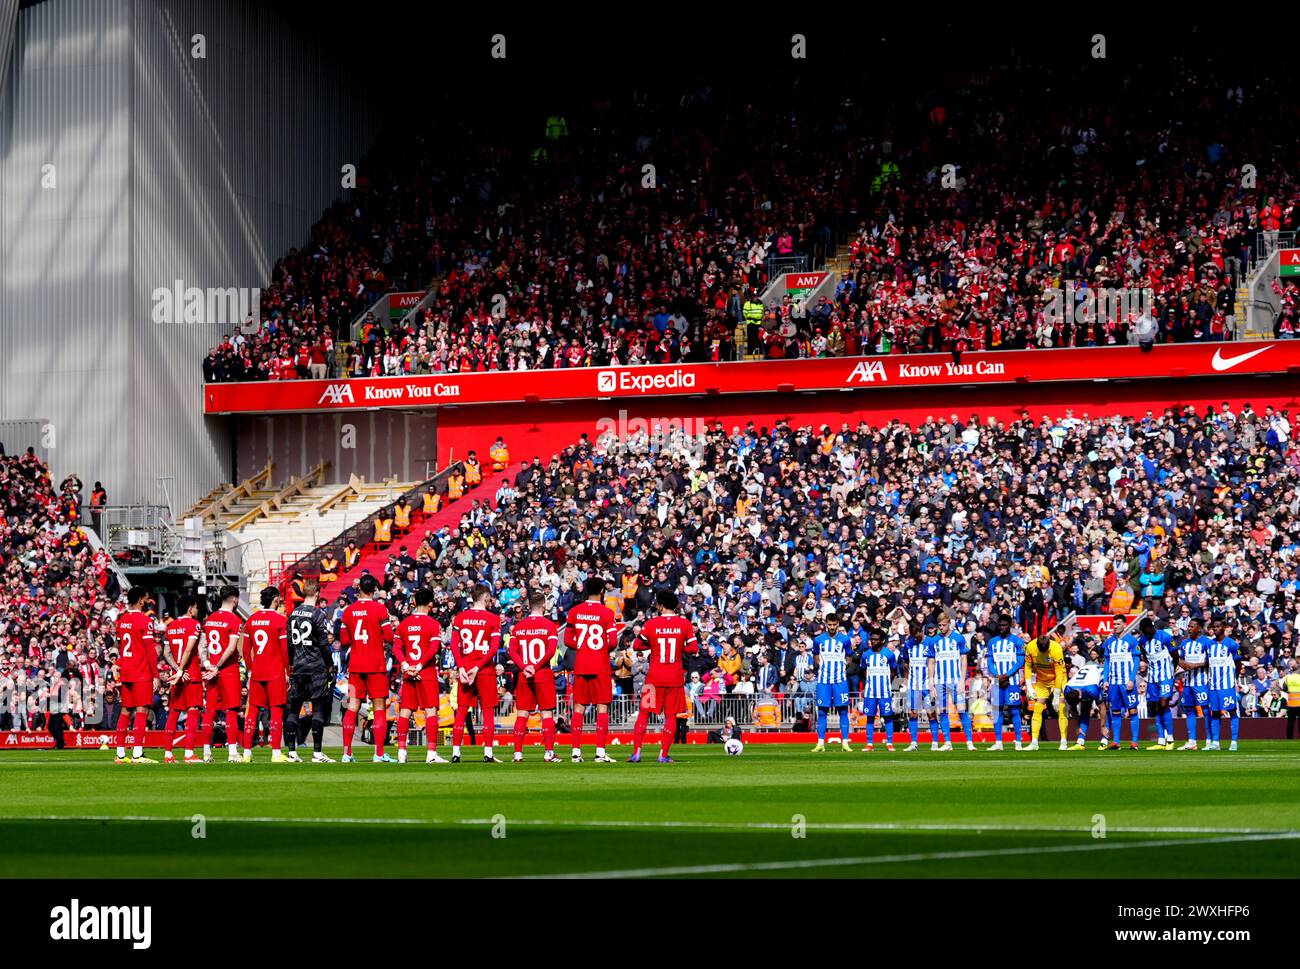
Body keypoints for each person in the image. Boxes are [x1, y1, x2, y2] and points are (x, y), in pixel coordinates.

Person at [628, 589, 699, 763]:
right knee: (670, 716)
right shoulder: (684, 624)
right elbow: (693, 649)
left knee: (644, 713)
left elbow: (637, 645)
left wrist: (652, 645)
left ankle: (637, 752)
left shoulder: (651, 624)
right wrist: (678, 647)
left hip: (653, 677)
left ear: (660, 605)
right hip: (674, 678)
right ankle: (663, 754)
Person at [339, 573, 395, 763]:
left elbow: (344, 640)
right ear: (374, 590)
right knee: (379, 709)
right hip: (376, 665)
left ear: (359, 589)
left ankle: (346, 753)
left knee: (352, 706)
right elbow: (389, 637)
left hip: (356, 666)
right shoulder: (380, 610)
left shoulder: (348, 611)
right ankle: (378, 754)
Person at [564, 576, 617, 763]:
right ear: (602, 591)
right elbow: (613, 642)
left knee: (579, 707)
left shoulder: (575, 612)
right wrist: (600, 648)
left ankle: (576, 753)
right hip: (600, 663)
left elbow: (567, 640)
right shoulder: (607, 613)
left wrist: (583, 646)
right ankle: (600, 753)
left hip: (582, 663)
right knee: (602, 708)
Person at [395, 588, 448, 764]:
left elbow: (396, 648)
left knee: (405, 710)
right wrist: (418, 666)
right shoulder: (433, 624)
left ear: (414, 602)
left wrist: (405, 665)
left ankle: (401, 752)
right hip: (425, 671)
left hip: (409, 671)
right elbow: (433, 649)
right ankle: (431, 754)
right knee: (431, 710)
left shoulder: (404, 623)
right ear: (431, 604)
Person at [506, 590, 561, 763]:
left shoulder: (519, 626)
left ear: (528, 606)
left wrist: (524, 667)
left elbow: (511, 651)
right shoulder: (549, 625)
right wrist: (536, 667)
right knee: (547, 714)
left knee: (522, 713)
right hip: (542, 673)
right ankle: (548, 753)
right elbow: (551, 650)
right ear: (544, 606)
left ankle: (517, 753)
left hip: (524, 674)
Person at [286, 579, 337, 763]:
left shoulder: (292, 614)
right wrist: (330, 664)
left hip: (298, 667)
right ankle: (317, 753)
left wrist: (291, 664)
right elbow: (324, 644)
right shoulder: (318, 614)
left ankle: (291, 752)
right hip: (316, 667)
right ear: (317, 594)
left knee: (294, 709)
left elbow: (290, 644)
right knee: (318, 709)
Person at [450, 582, 502, 763]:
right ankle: (488, 753)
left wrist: (462, 667)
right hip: (484, 669)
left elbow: (453, 645)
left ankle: (456, 753)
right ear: (486, 598)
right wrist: (477, 668)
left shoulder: (460, 618)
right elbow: (494, 647)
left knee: (462, 711)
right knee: (488, 711)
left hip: (465, 668)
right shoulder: (493, 619)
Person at [239, 587, 290, 763]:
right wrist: (288, 672)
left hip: (257, 672)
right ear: (275, 600)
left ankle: (246, 753)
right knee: (276, 711)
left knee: (252, 710)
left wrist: (251, 669)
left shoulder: (251, 620)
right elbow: (284, 651)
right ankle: (276, 753)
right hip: (275, 672)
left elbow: (246, 650)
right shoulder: (280, 620)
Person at [112, 586, 160, 764]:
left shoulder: (122, 620)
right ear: (140, 600)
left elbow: (120, 648)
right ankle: (138, 754)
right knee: (142, 710)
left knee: (125, 710)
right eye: (146, 599)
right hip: (141, 672)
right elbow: (150, 650)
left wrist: (119, 664)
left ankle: (120, 753)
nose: (147, 602)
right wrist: (156, 675)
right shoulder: (144, 620)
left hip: (127, 671)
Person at [200, 586, 245, 763]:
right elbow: (231, 648)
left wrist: (207, 664)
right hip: (226, 669)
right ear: (234, 599)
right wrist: (217, 667)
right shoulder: (234, 620)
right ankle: (233, 753)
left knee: (210, 711)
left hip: (211, 669)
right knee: (232, 710)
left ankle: (206, 753)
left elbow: (202, 646)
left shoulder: (209, 619)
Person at [160, 594, 202, 764]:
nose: (197, 610)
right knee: (193, 711)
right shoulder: (194, 625)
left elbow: (166, 653)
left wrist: (176, 670)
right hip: (190, 674)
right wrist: (182, 670)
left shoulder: (171, 626)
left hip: (177, 675)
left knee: (174, 713)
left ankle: (168, 754)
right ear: (190, 608)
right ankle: (189, 753)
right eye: (196, 607)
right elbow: (188, 650)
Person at [929, 613, 976, 751]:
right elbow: (931, 662)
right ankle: (948, 743)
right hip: (940, 681)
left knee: (961, 710)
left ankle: (969, 742)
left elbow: (964, 659)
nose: (941, 628)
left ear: (949, 623)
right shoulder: (934, 640)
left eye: (944, 625)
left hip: (956, 680)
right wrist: (931, 682)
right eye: (939, 626)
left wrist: (962, 680)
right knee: (942, 711)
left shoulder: (958, 638)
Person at [811, 613, 853, 753]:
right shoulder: (819, 640)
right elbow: (816, 655)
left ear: (838, 624)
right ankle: (820, 743)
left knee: (843, 711)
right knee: (822, 711)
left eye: (835, 625)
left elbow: (849, 657)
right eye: (830, 624)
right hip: (823, 680)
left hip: (840, 680)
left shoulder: (845, 640)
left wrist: (842, 666)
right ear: (826, 624)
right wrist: (820, 665)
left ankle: (845, 743)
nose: (832, 627)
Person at [1024, 623, 1069, 751]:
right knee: (1037, 708)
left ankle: (1064, 742)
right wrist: (1029, 686)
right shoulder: (1030, 647)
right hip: (1042, 680)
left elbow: (1059, 672)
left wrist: (1056, 694)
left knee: (1061, 708)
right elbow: (1027, 666)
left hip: (1058, 679)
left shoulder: (1056, 649)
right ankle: (1034, 743)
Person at [984, 614, 1026, 751]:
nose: (1002, 627)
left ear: (1010, 626)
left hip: (1012, 682)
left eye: (1004, 625)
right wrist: (996, 675)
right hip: (997, 682)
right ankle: (998, 742)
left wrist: (1006, 675)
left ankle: (1018, 741)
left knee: (1014, 710)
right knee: (997, 711)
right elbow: (990, 661)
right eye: (1000, 625)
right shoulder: (992, 642)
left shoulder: (1017, 641)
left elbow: (1020, 661)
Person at [1134, 616, 1176, 749]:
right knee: (1157, 707)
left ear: (1151, 627)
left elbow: (1175, 655)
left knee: (1164, 703)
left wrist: (1171, 671)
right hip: (1152, 677)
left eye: (1146, 630)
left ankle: (1170, 739)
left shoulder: (1165, 636)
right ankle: (1161, 740)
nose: (1145, 633)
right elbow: (1145, 656)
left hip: (1165, 676)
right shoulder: (1142, 641)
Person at [1101, 622, 1142, 751]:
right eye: (1114, 624)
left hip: (1126, 682)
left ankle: (1134, 741)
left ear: (1124, 625)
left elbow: (1136, 660)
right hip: (1113, 683)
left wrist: (1131, 679)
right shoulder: (1109, 642)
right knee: (1116, 711)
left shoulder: (1131, 640)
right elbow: (1107, 661)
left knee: (1132, 711)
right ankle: (1116, 742)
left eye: (1118, 624)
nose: (1115, 626)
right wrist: (1106, 679)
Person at [1175, 617, 1212, 750]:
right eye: (1188, 626)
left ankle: (1210, 741)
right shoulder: (1185, 643)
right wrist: (1182, 664)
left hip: (1202, 682)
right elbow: (1179, 659)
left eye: (1192, 626)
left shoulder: (1207, 642)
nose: (1189, 628)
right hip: (1188, 683)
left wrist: (1195, 665)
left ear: (1199, 628)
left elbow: (1212, 661)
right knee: (1189, 710)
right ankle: (1192, 741)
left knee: (1206, 710)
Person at [1206, 618, 1242, 751]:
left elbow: (1238, 663)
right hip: (1213, 685)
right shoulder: (1209, 644)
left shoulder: (1232, 644)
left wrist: (1234, 679)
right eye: (1213, 627)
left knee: (1232, 711)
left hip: (1227, 685)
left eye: (1217, 626)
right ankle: (1216, 743)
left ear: (1224, 627)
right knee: (1215, 712)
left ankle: (1234, 741)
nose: (1215, 629)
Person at [860, 628, 897, 751]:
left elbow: (893, 671)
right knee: (870, 717)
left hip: (885, 692)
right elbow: (864, 671)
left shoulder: (889, 654)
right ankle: (869, 744)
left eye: (876, 639)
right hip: (870, 692)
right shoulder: (866, 655)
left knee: (887, 717)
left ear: (882, 640)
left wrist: (887, 683)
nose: (873, 641)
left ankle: (889, 743)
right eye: (872, 639)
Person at [1064, 647, 1104, 749]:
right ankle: (1080, 742)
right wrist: (1077, 726)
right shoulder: (1068, 689)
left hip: (1100, 677)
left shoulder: (1092, 690)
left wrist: (1102, 727)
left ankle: (1104, 740)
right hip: (1086, 680)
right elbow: (1073, 708)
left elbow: (1102, 708)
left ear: (1080, 696)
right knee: (1085, 710)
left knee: (1107, 706)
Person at [1285, 661, 1300, 739]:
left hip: (1291, 704)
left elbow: (1284, 688)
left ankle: (1289, 738)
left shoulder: (1288, 677)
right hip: (1299, 703)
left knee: (1290, 722)